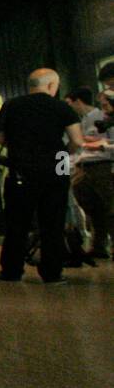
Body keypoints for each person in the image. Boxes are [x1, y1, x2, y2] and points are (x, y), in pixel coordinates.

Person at [0, 68, 84, 283]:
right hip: (55, 171)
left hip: (20, 172)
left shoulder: (11, 105)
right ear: (52, 86)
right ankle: (52, 273)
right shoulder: (62, 107)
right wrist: (63, 151)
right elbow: (78, 141)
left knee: (17, 224)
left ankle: (11, 271)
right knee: (53, 223)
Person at [67, 87, 112, 259]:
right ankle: (99, 245)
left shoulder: (102, 117)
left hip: (101, 165)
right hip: (84, 166)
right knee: (93, 208)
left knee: (108, 207)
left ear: (78, 101)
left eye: (69, 103)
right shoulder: (81, 121)